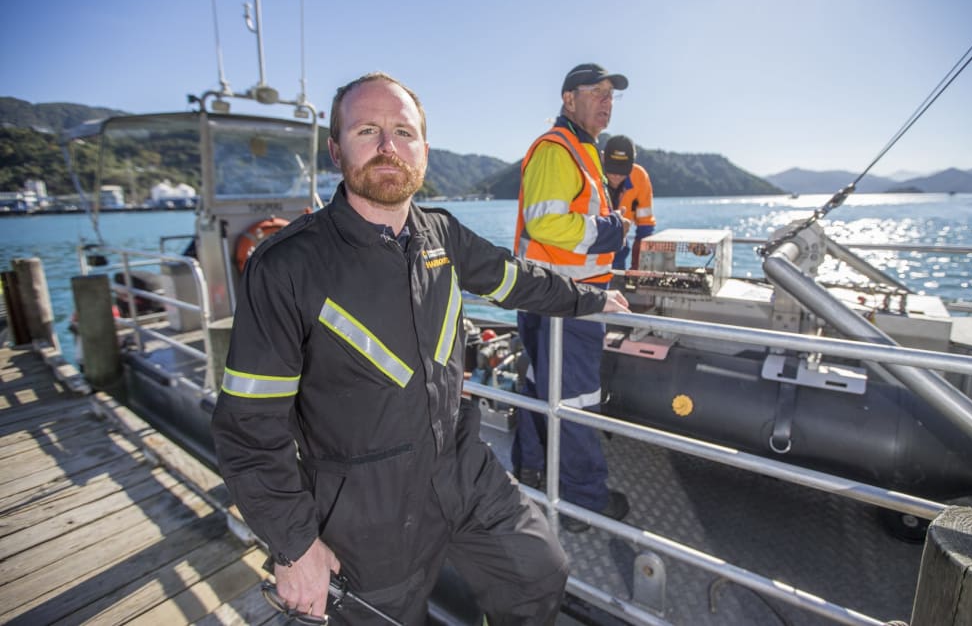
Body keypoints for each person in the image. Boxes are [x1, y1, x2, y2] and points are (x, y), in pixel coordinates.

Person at [210, 72, 631, 625]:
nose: (389, 146)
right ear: (336, 150)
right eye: (368, 130)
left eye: (403, 132)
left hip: (459, 466)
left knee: (537, 571)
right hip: (364, 502)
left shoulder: (443, 236)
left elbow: (518, 279)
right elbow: (249, 431)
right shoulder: (287, 265)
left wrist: (591, 300)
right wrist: (294, 547)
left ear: (424, 152)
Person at [512, 63, 632, 533]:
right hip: (565, 302)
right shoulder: (557, 149)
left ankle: (532, 473)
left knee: (542, 388)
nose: (606, 102)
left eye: (611, 95)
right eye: (596, 92)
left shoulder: (583, 151)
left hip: (558, 295)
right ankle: (583, 504)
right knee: (575, 400)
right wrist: (613, 230)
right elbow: (547, 224)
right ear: (568, 99)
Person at [602, 135, 656, 270]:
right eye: (612, 168)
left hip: (619, 248)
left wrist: (638, 268)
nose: (616, 174)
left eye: (622, 169)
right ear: (603, 159)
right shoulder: (588, 173)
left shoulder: (640, 177)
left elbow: (645, 226)